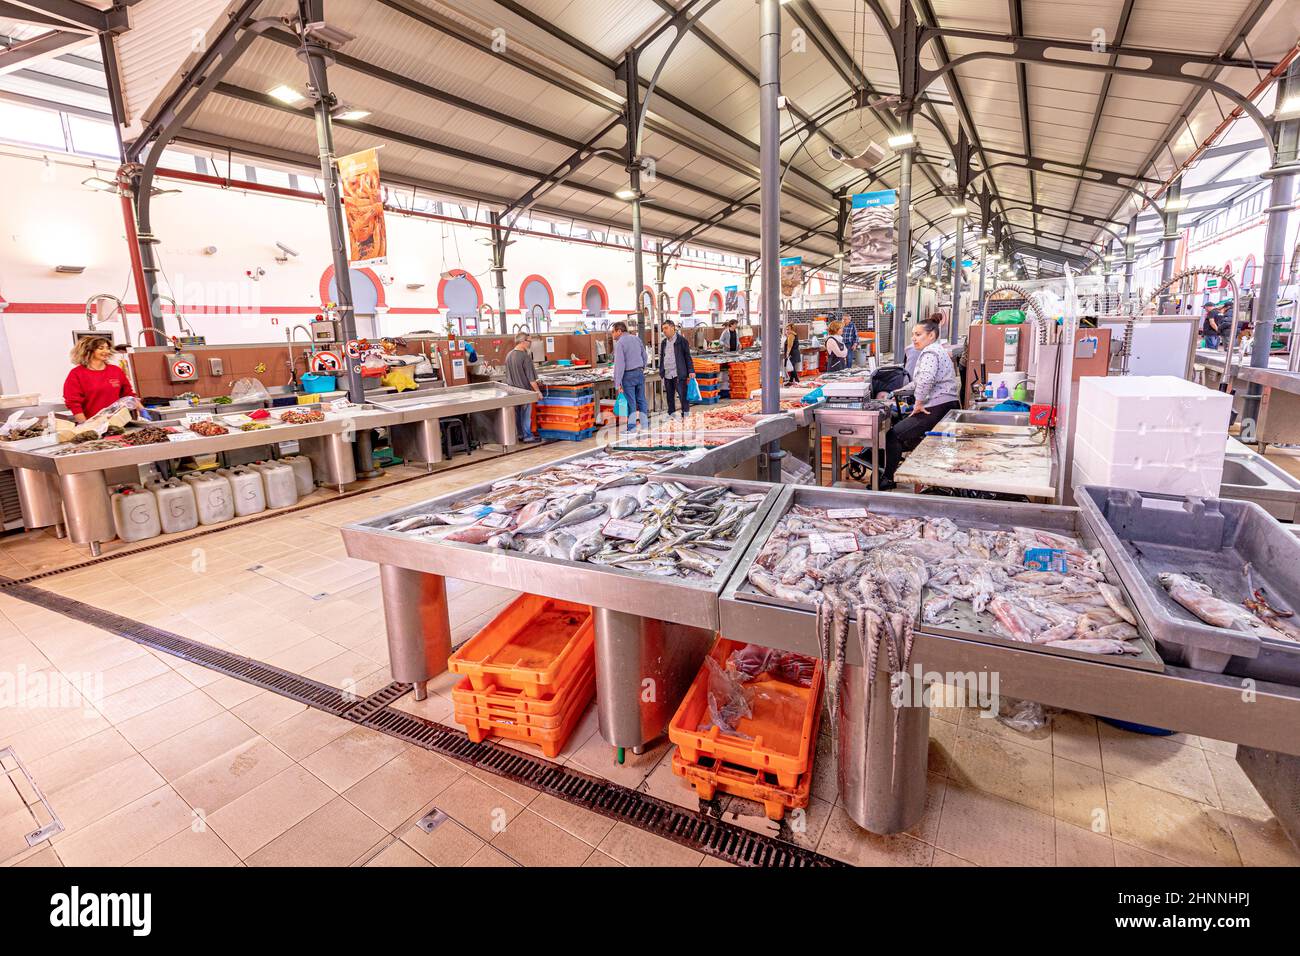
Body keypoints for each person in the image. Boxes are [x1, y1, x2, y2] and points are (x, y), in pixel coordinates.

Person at [880, 319, 961, 490]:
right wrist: (897, 392)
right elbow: (918, 382)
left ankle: (887, 479)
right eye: (913, 335)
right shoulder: (938, 350)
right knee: (912, 436)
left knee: (893, 435)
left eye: (918, 335)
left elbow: (926, 380)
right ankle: (924, 471)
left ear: (931, 335)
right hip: (947, 404)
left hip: (936, 406)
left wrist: (918, 403)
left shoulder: (929, 352)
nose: (914, 339)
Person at [64, 336, 136, 423]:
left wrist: (143, 410)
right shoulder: (76, 374)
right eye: (101, 348)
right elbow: (74, 403)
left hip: (119, 423)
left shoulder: (116, 370)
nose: (106, 351)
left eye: (108, 348)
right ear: (89, 351)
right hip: (93, 423)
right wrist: (85, 425)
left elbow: (128, 395)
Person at [610, 321, 649, 432]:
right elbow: (645, 356)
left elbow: (620, 364)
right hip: (639, 373)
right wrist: (642, 368)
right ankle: (645, 425)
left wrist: (617, 383)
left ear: (619, 331)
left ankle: (631, 428)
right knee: (641, 400)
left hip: (628, 376)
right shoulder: (636, 339)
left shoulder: (620, 343)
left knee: (631, 402)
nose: (612, 334)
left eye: (613, 332)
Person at [504, 332, 543, 442]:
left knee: (517, 414)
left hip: (512, 391)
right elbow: (531, 379)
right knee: (526, 415)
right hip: (524, 391)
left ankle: (520, 435)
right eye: (529, 341)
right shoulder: (525, 357)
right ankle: (528, 436)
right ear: (522, 342)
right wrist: (538, 392)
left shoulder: (509, 355)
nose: (530, 344)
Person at [658, 319, 695, 418]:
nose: (664, 331)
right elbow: (662, 357)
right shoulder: (664, 342)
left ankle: (685, 414)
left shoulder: (681, 341)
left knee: (683, 396)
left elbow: (687, 356)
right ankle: (671, 414)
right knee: (669, 396)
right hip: (667, 373)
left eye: (666, 328)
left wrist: (691, 370)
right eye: (663, 329)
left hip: (678, 373)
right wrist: (661, 369)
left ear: (673, 327)